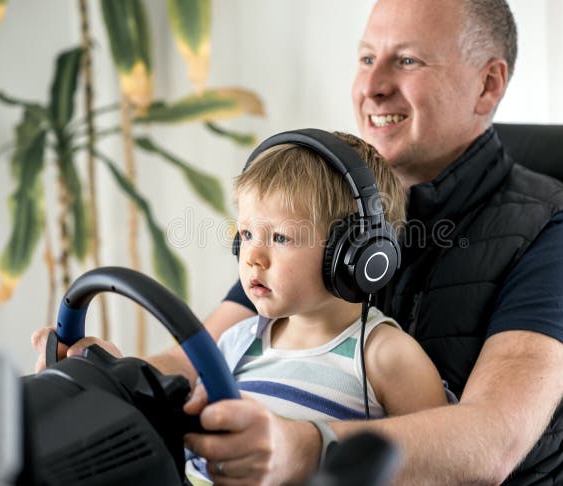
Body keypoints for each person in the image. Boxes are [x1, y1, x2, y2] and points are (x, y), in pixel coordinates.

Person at [34, 0, 563, 485]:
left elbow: (491, 442)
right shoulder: (328, 200)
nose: (373, 85)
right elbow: (196, 358)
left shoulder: (558, 232)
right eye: (366, 58)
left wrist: (307, 449)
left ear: (488, 84)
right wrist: (107, 372)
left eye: (406, 60)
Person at [182, 130, 448, 484]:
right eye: (246, 235)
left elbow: (438, 463)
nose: (252, 258)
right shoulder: (237, 343)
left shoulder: (386, 356)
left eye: (280, 238)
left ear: (355, 253)